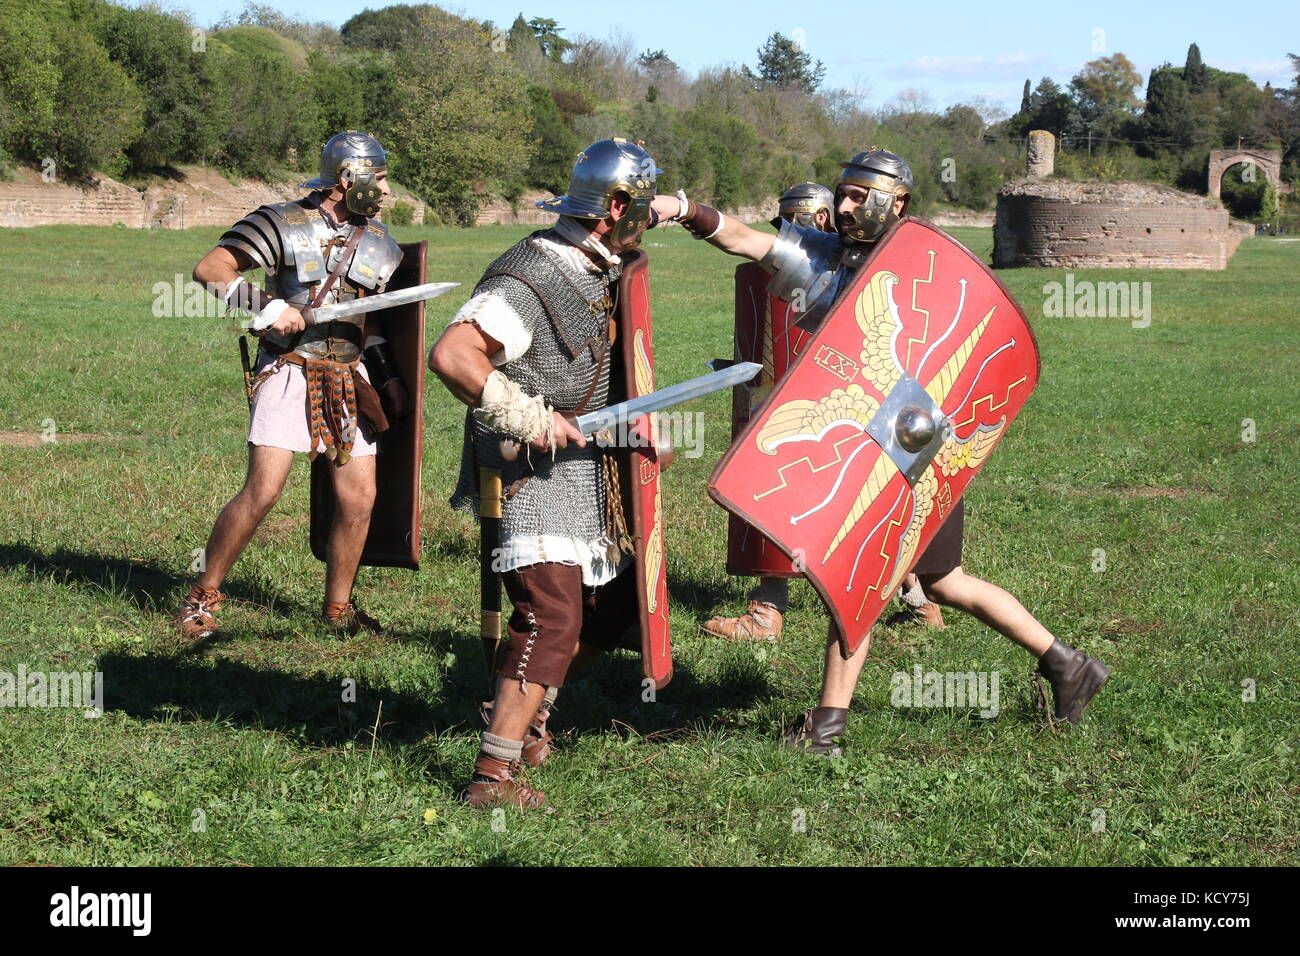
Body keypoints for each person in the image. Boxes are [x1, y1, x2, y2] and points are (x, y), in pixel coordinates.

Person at [649, 147, 1110, 753]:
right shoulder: (828, 261)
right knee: (944, 582)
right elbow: (746, 241)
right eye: (841, 194)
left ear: (897, 203)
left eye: (858, 197)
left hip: (906, 447)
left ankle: (827, 730)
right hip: (862, 438)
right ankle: (1066, 663)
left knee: (859, 574)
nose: (843, 206)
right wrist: (683, 208)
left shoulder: (927, 268)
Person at [429, 139, 661, 809]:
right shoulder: (530, 276)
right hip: (528, 470)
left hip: (585, 467)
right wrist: (527, 417)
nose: (646, 218)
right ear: (616, 206)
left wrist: (640, 426)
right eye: (642, 205)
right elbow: (453, 355)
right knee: (549, 617)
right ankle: (491, 779)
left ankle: (528, 714)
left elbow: (603, 376)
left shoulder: (600, 268)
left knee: (612, 609)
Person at [175, 131, 409, 639]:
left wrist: (387, 375)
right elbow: (210, 269)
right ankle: (202, 596)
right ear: (348, 180)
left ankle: (337, 609)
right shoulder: (282, 220)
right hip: (289, 367)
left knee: (359, 498)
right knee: (263, 491)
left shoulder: (380, 242)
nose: (388, 191)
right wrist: (270, 308)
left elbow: (370, 323)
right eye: (381, 179)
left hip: (348, 375)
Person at [704, 179, 946, 642]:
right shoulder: (837, 261)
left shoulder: (878, 263)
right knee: (817, 497)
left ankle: (774, 612)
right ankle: (912, 599)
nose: (787, 233)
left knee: (841, 499)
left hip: (857, 403)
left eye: (794, 220)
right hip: (842, 405)